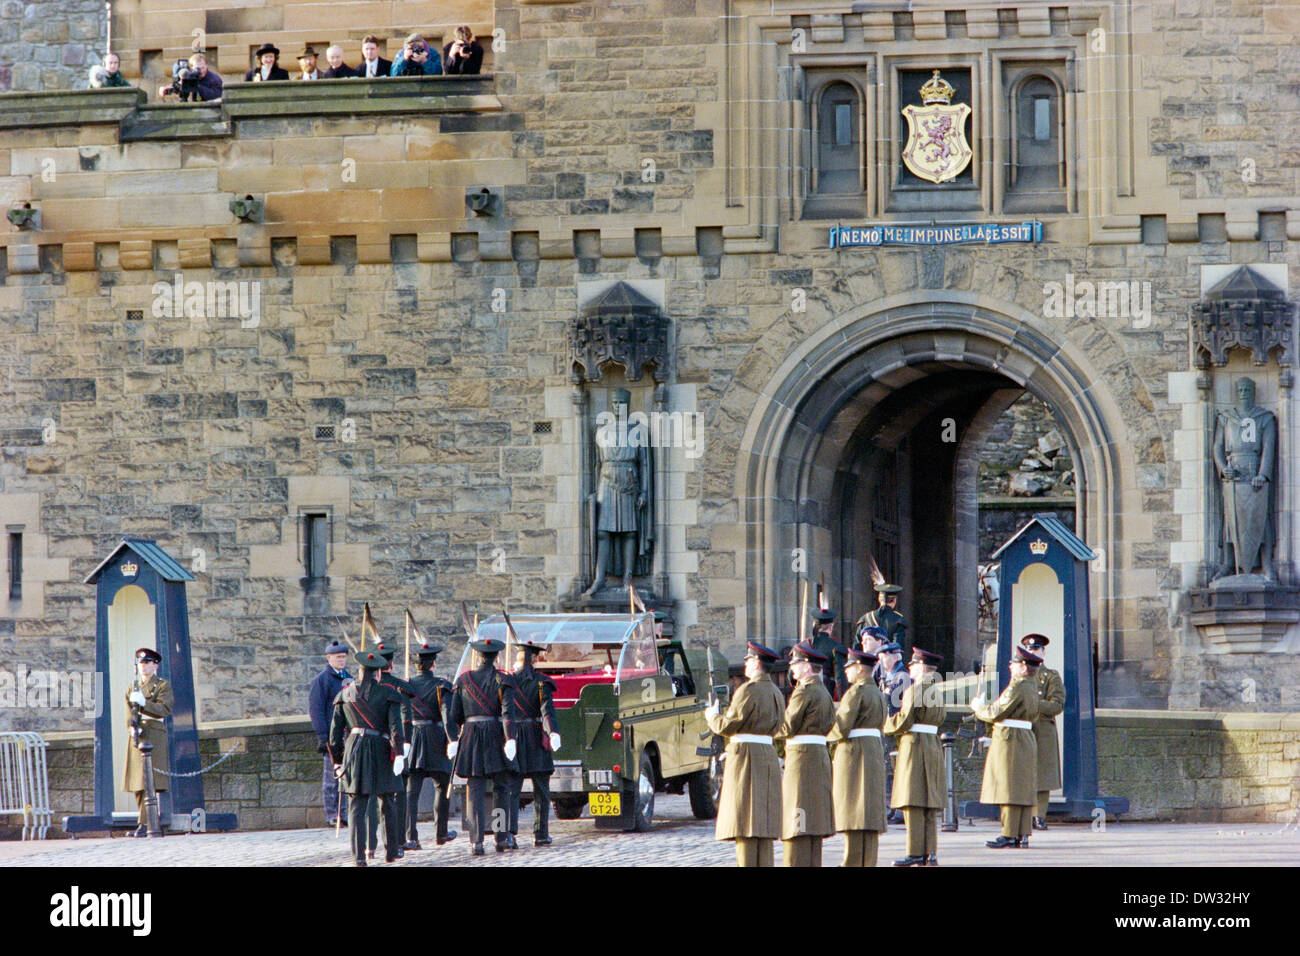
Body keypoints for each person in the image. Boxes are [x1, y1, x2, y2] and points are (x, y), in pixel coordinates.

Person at [705, 641, 784, 866]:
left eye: (748, 660)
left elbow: (729, 725)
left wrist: (712, 716)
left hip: (747, 757)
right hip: (766, 755)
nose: (745, 664)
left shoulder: (748, 690)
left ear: (757, 662)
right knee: (763, 824)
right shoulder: (775, 691)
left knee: (746, 823)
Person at [328, 648, 404, 866]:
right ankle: (391, 851)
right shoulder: (388, 693)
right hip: (380, 749)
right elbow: (395, 728)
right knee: (387, 800)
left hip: (354, 749)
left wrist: (337, 761)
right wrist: (399, 753)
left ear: (360, 672)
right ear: (378, 673)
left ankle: (359, 856)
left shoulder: (344, 695)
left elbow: (335, 735)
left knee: (357, 806)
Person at [446, 637, 518, 855]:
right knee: (501, 788)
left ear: (477, 656)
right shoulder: (503, 680)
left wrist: (453, 739)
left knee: (474, 789)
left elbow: (454, 716)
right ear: (496, 657)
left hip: (470, 735)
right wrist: (511, 738)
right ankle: (501, 837)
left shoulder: (463, 680)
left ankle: (476, 840)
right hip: (496, 735)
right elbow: (507, 714)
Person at [972, 644, 1041, 849]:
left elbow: (996, 712)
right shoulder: (1031, 685)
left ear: (1022, 666)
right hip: (1024, 737)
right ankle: (1022, 832)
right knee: (1022, 787)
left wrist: (978, 707)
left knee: (1009, 786)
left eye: (1014, 663)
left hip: (1011, 739)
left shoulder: (1017, 685)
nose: (1010, 666)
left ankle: (1009, 832)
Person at [883, 647, 946, 866]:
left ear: (920, 666)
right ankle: (930, 852)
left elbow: (904, 719)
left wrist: (885, 724)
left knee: (913, 801)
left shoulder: (915, 690)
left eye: (913, 664)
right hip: (931, 744)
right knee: (928, 802)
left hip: (915, 746)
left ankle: (915, 851)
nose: (910, 668)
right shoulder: (936, 690)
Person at [776, 642, 835, 867]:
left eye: (796, 663)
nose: (792, 668)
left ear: (807, 666)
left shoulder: (804, 690)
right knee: (813, 820)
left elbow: (788, 725)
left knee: (797, 817)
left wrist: (768, 730)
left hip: (801, 759)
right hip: (818, 756)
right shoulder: (823, 691)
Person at [829, 647, 888, 866]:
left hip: (854, 754)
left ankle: (851, 861)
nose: (846, 671)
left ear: (860, 668)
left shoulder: (855, 692)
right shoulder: (878, 693)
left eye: (849, 667)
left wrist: (822, 733)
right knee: (868, 813)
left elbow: (841, 727)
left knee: (853, 810)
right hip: (872, 751)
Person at [504, 639, 561, 847]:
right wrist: (553, 732)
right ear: (535, 659)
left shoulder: (507, 681)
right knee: (541, 791)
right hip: (536, 736)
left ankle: (508, 834)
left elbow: (505, 712)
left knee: (511, 790)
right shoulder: (541, 682)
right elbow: (547, 712)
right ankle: (541, 833)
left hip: (515, 736)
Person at [403, 641, 457, 848]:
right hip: (435, 737)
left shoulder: (406, 686)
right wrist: (453, 739)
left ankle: (411, 836)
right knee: (442, 786)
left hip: (414, 737)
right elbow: (447, 716)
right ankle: (441, 833)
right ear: (433, 664)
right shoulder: (441, 685)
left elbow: (403, 716)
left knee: (412, 790)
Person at [366, 642, 411, 859]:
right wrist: (403, 747)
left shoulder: (357, 689)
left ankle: (369, 845)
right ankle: (395, 843)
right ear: (390, 664)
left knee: (370, 800)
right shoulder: (396, 688)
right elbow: (402, 720)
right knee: (391, 798)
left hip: (364, 748)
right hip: (389, 747)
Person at [123, 647, 172, 837]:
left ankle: (145, 823)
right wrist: (131, 727)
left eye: (148, 663)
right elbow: (128, 711)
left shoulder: (162, 686)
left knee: (148, 782)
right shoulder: (132, 687)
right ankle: (145, 821)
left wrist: (144, 703)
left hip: (153, 735)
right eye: (141, 663)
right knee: (137, 783)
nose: (144, 667)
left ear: (155, 665)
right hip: (139, 735)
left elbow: (164, 709)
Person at [1020, 634, 1064, 830]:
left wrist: (1034, 704)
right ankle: (1024, 815)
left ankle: (1039, 815)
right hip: (1022, 727)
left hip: (1043, 728)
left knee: (1043, 774)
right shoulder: (1019, 677)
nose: (1033, 652)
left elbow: (1057, 705)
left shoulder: (1051, 676)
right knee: (1022, 772)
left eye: (1037, 648)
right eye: (1030, 649)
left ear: (1043, 652)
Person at [307, 640, 352, 827]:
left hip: (348, 733)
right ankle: (332, 814)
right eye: (338, 657)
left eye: (343, 657)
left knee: (346, 775)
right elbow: (316, 710)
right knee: (332, 777)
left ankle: (343, 812)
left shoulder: (348, 679)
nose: (341, 660)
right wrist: (323, 736)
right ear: (329, 658)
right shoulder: (321, 681)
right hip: (331, 735)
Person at [877, 640, 910, 823]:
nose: (881, 661)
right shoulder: (889, 676)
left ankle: (897, 809)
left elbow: (895, 703)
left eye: (884, 657)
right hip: (888, 729)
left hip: (895, 731)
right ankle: (891, 807)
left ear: (894, 656)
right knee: (888, 771)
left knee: (894, 771)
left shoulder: (901, 676)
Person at [808, 591, 847, 699]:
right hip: (826, 694)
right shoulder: (837, 647)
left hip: (804, 694)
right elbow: (840, 679)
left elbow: (791, 677)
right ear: (831, 627)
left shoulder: (804, 646)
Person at [856, 582, 907, 650]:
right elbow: (897, 647)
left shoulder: (865, 618)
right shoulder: (899, 620)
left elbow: (857, 646)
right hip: (887, 658)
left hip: (868, 659)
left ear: (879, 599)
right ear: (894, 600)